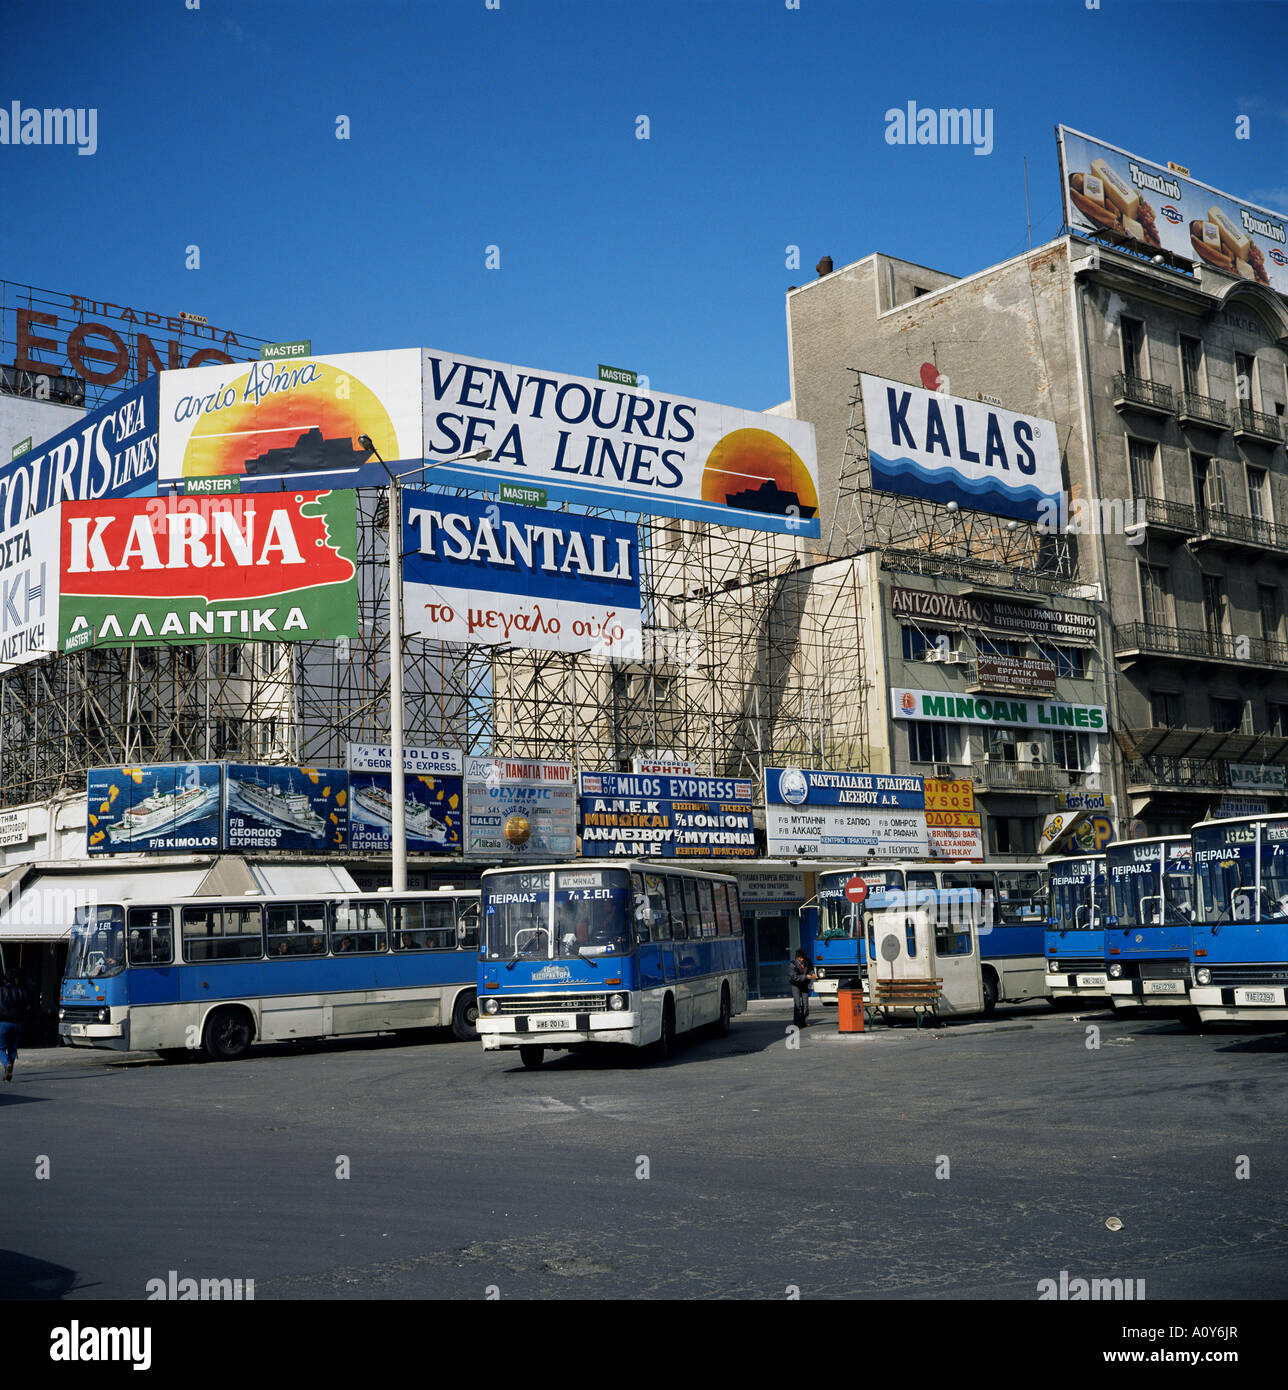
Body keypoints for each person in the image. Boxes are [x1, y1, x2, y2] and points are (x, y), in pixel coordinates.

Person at [0, 971, 31, 1082]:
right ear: (15, 979)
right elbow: (27, 1008)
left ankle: (6, 1064)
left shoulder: (1, 991)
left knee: (1, 1048)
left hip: (3, 1023)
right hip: (17, 1023)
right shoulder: (21, 991)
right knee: (13, 1049)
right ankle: (9, 1072)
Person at [788, 950, 816, 1029]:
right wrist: (806, 977)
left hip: (804, 984)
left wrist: (812, 973)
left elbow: (811, 969)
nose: (801, 960)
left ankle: (804, 1021)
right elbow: (795, 977)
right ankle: (797, 1022)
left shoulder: (808, 961)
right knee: (798, 1004)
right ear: (797, 958)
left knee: (805, 1003)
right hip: (795, 985)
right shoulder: (792, 964)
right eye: (799, 958)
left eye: (802, 958)